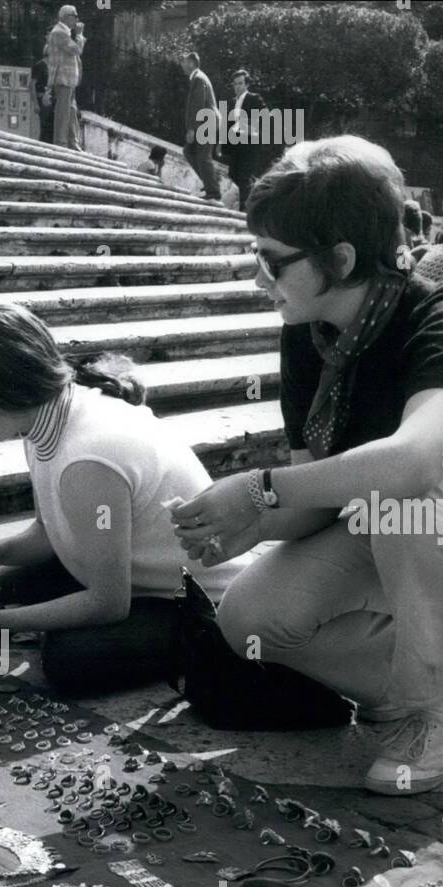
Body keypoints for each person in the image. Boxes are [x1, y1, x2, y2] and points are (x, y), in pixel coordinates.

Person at [170, 137, 443, 794]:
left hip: (416, 518)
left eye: (271, 261)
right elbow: (314, 491)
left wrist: (260, 490)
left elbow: (414, 459)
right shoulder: (306, 328)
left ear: (339, 258)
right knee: (249, 617)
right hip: (402, 535)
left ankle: (424, 711)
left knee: (396, 501)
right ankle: (417, 683)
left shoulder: (429, 314)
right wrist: (251, 523)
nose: (256, 278)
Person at [0, 303, 250, 696]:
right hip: (129, 576)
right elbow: (49, 532)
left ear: (12, 385)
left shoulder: (87, 457)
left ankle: (197, 647)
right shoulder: (44, 417)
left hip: (196, 600)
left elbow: (108, 602)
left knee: (71, 660)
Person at [181, 50, 221, 201]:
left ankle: (214, 192)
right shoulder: (197, 78)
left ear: (192, 63)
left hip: (207, 122)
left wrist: (192, 128)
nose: (182, 64)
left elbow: (198, 104)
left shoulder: (198, 78)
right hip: (205, 121)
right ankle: (210, 182)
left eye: (184, 61)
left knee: (203, 157)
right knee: (189, 152)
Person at [224, 69, 266, 211]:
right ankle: (248, 205)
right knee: (234, 176)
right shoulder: (232, 102)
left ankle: (244, 212)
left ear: (247, 85)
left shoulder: (254, 98)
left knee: (244, 177)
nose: (238, 87)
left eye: (241, 83)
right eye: (235, 84)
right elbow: (228, 125)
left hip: (249, 144)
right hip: (235, 144)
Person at [46, 5, 85, 150]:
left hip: (70, 80)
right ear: (66, 16)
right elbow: (76, 49)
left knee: (72, 111)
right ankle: (60, 143)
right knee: (63, 112)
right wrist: (80, 35)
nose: (76, 19)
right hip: (63, 78)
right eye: (74, 16)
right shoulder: (58, 32)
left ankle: (73, 142)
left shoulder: (65, 32)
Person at [32, 43, 55, 143]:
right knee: (44, 126)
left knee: (52, 126)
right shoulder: (39, 65)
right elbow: (32, 85)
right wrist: (36, 103)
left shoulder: (53, 66)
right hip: (42, 99)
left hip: (52, 98)